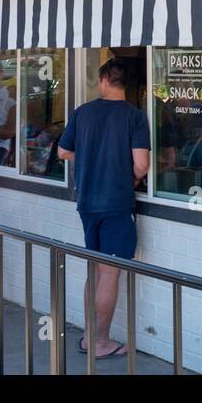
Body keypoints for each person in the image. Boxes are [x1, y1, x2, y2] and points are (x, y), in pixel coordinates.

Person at [56, 58, 150, 359]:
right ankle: (100, 342)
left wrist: (90, 157)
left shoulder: (82, 112)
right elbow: (142, 164)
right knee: (110, 273)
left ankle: (88, 336)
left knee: (94, 270)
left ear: (104, 80)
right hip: (116, 202)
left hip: (87, 202)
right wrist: (131, 175)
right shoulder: (135, 117)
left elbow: (63, 151)